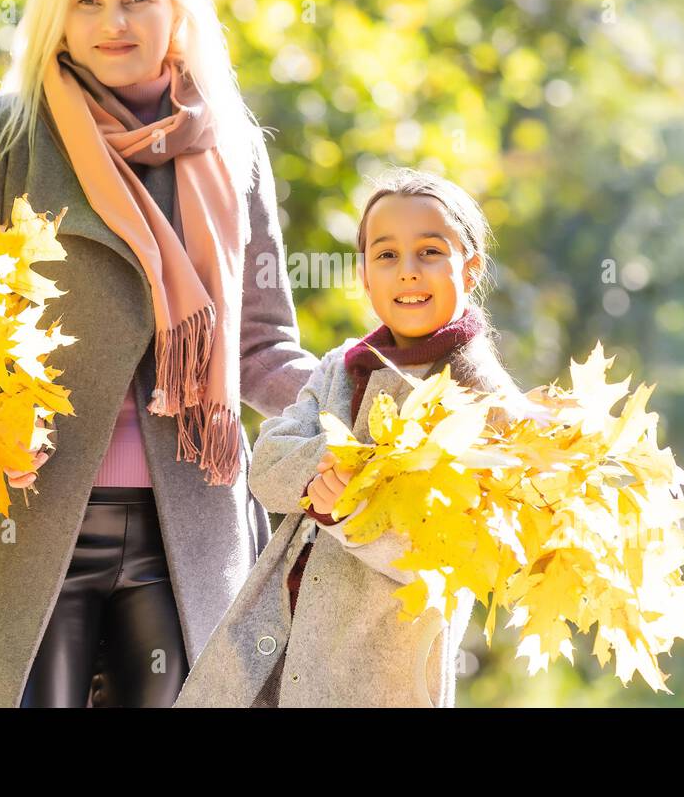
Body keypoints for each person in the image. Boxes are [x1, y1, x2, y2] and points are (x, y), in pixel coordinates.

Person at [0, 0, 317, 708]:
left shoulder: (233, 150)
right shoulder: (4, 132)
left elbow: (262, 348)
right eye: (89, 2)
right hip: (27, 520)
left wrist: (355, 406)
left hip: (189, 526)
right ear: (59, 17)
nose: (114, 21)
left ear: (175, 11)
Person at [174, 167, 532, 707]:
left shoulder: (486, 404)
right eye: (386, 256)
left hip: (376, 680)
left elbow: (452, 563)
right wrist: (364, 463)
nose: (407, 272)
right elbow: (269, 467)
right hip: (267, 659)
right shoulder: (341, 366)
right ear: (365, 275)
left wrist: (355, 510)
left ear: (471, 266)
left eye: (431, 252)